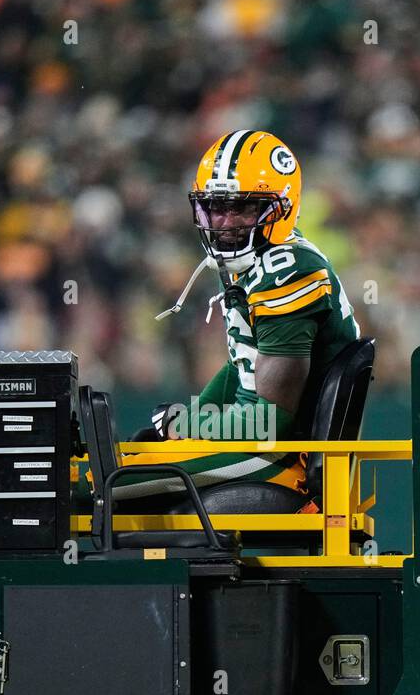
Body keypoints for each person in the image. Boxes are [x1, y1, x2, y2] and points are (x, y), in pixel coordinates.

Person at [74, 130, 360, 505]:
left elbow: (270, 424)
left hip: (281, 456)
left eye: (240, 208)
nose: (224, 223)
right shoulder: (260, 259)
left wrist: (189, 424)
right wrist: (186, 422)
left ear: (281, 207)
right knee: (113, 460)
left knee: (89, 487)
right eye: (215, 207)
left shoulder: (289, 272)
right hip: (259, 445)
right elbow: (243, 368)